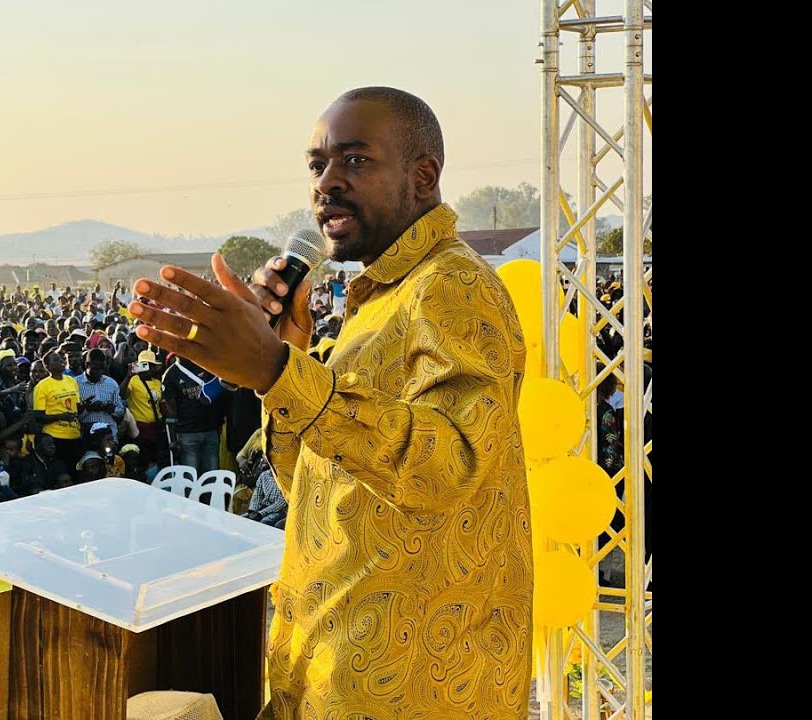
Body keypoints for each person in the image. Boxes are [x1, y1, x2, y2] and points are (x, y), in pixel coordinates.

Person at [126, 87, 531, 717]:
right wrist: (288, 360)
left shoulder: (450, 285)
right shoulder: (381, 299)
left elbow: (450, 467)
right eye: (317, 165)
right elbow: (318, 485)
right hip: (327, 663)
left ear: (423, 177)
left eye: (356, 160)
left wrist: (277, 371)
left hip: (408, 688)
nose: (327, 183)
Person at [33, 350, 82, 472]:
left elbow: (77, 407)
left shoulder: (71, 381)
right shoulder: (42, 386)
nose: (61, 361)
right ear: (47, 366)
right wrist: (61, 416)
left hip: (74, 434)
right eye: (55, 360)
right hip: (55, 437)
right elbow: (38, 416)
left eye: (61, 358)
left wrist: (85, 405)